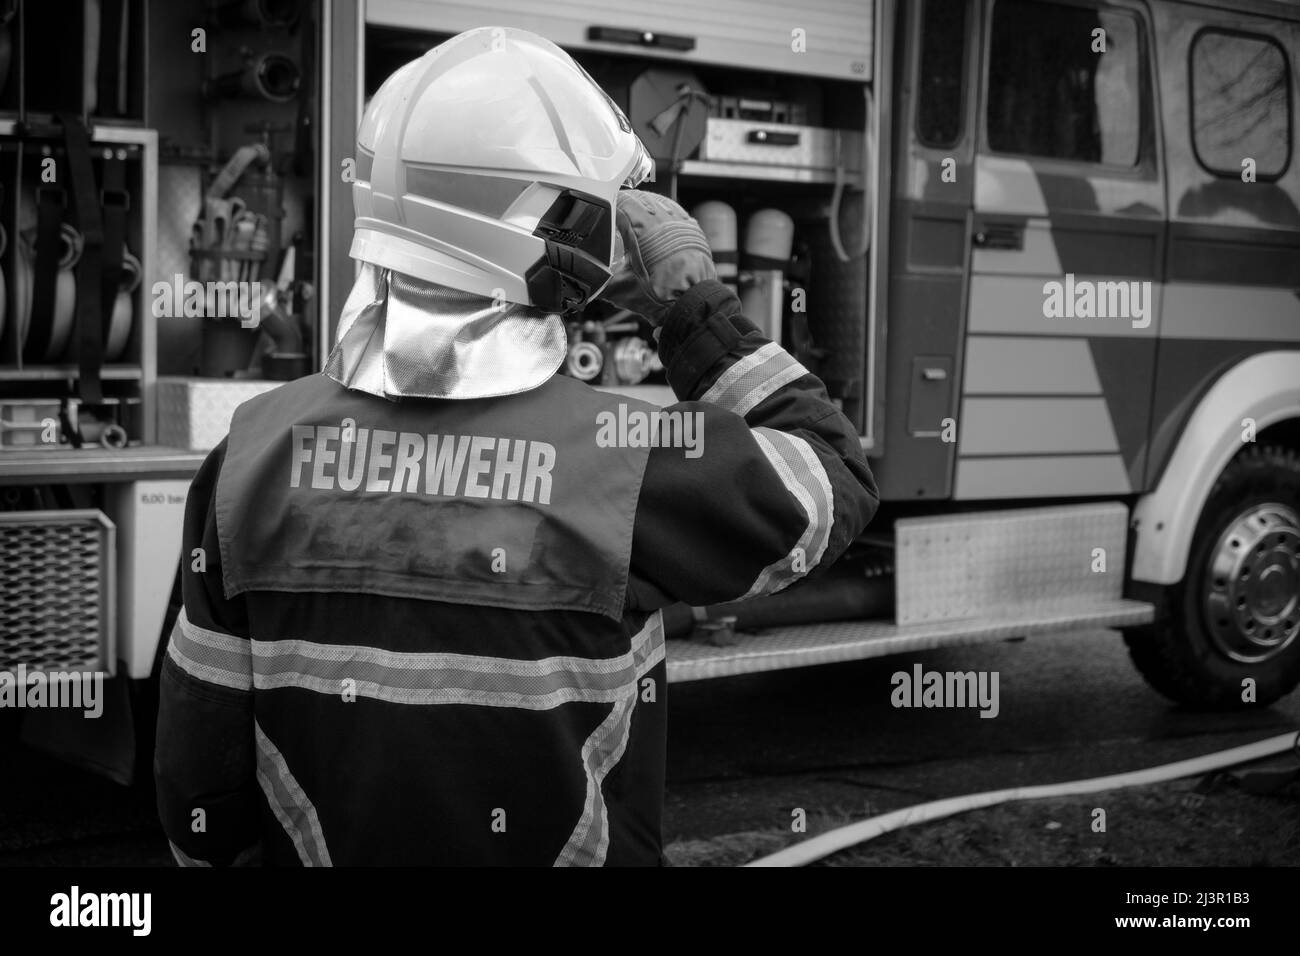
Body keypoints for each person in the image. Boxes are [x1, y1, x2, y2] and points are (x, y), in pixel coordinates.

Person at [155, 26, 879, 867]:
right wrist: (690, 305)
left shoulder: (247, 459)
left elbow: (198, 791)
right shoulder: (629, 463)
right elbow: (831, 477)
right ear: (555, 222)